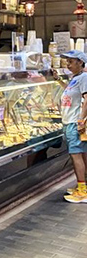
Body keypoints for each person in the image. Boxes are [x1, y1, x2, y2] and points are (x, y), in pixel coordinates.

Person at [56, 50, 87, 203]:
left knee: (76, 155)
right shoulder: (76, 78)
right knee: (81, 153)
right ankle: (83, 185)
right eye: (66, 62)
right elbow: (70, 93)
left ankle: (82, 191)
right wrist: (58, 80)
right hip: (71, 121)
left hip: (75, 122)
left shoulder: (84, 77)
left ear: (80, 62)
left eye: (70, 62)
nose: (67, 65)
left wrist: (81, 120)